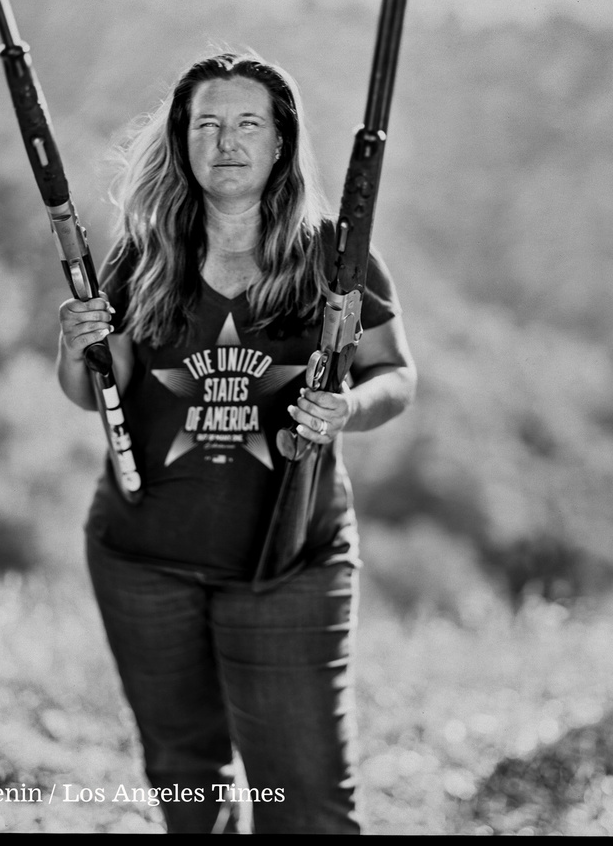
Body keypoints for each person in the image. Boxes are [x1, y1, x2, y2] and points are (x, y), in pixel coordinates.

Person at [57, 50, 416, 834]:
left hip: (289, 563)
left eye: (248, 123)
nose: (227, 142)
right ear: (181, 141)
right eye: (206, 124)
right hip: (142, 560)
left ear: (281, 141)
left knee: (308, 803)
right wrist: (74, 342)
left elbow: (394, 376)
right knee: (187, 785)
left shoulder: (335, 255)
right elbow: (96, 390)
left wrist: (344, 409)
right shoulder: (142, 254)